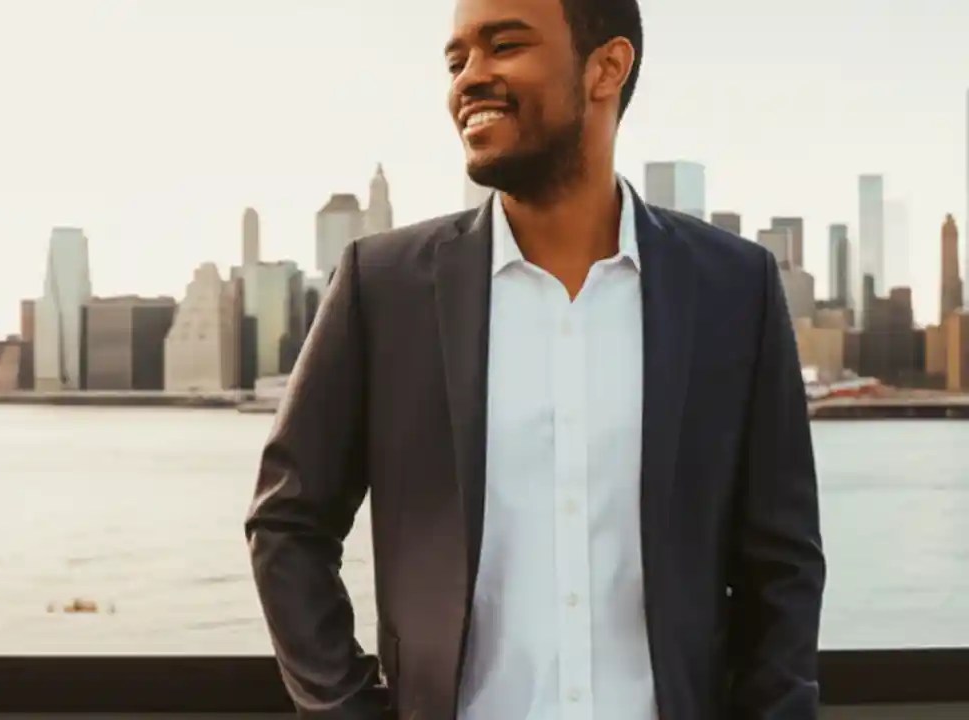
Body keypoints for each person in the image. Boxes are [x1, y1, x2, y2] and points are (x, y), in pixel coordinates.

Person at [244, 0, 826, 717]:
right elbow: (288, 526)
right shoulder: (382, 286)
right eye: (457, 60)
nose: (469, 79)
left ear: (606, 68)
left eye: (505, 46)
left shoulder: (736, 288)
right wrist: (346, 708)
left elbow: (785, 566)